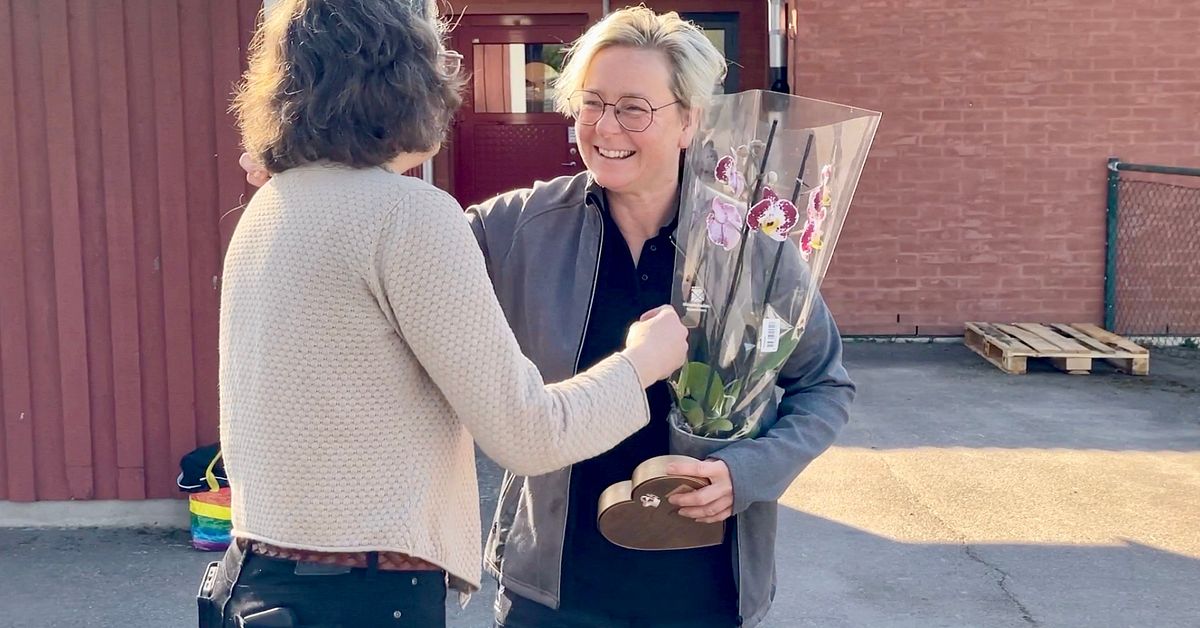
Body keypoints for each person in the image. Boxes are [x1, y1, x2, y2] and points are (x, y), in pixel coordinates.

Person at [241, 8, 855, 627]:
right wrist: (314, 174)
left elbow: (823, 385)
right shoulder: (517, 227)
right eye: (592, 103)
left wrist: (745, 473)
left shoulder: (750, 244)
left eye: (633, 108)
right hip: (554, 591)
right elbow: (384, 251)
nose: (605, 126)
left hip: (706, 587)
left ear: (689, 121)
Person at [204, 1, 688, 627]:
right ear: (404, 82)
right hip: (359, 597)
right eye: (441, 63)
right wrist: (642, 363)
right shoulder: (407, 216)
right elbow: (528, 435)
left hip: (256, 582)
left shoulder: (272, 206)